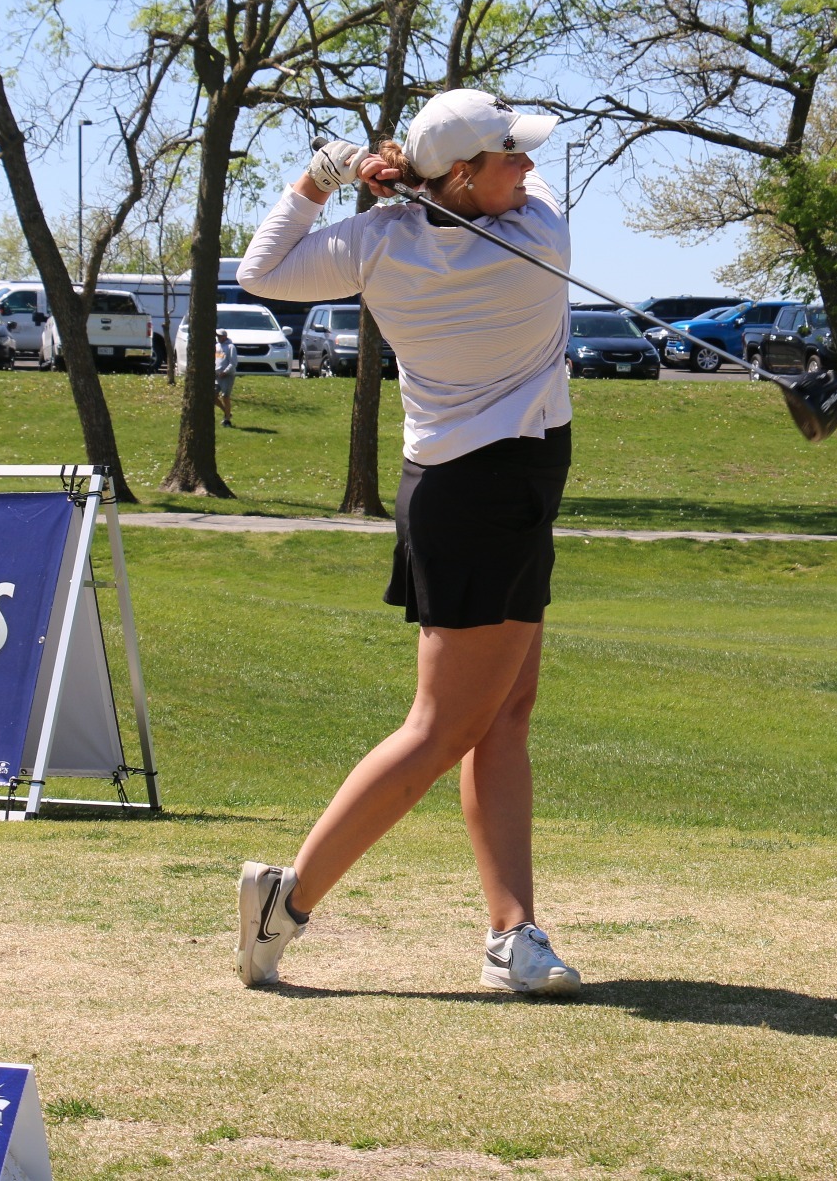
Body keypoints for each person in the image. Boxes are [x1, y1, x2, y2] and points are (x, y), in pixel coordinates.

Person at [230, 89, 579, 995]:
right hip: (484, 492)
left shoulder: (379, 241)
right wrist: (401, 177)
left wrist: (330, 173)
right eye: (510, 157)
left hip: (486, 488)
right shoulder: (540, 236)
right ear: (463, 174)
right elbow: (474, 201)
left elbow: (262, 271)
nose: (530, 170)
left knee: (504, 713)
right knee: (443, 727)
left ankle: (513, 933)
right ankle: (288, 897)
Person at [213, 329, 237, 427]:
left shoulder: (231, 347)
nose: (218, 337)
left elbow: (233, 363)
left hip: (227, 375)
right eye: (217, 336)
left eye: (220, 336)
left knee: (225, 396)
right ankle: (227, 412)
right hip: (217, 375)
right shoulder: (216, 346)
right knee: (212, 396)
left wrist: (225, 371)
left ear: (225, 336)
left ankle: (227, 420)